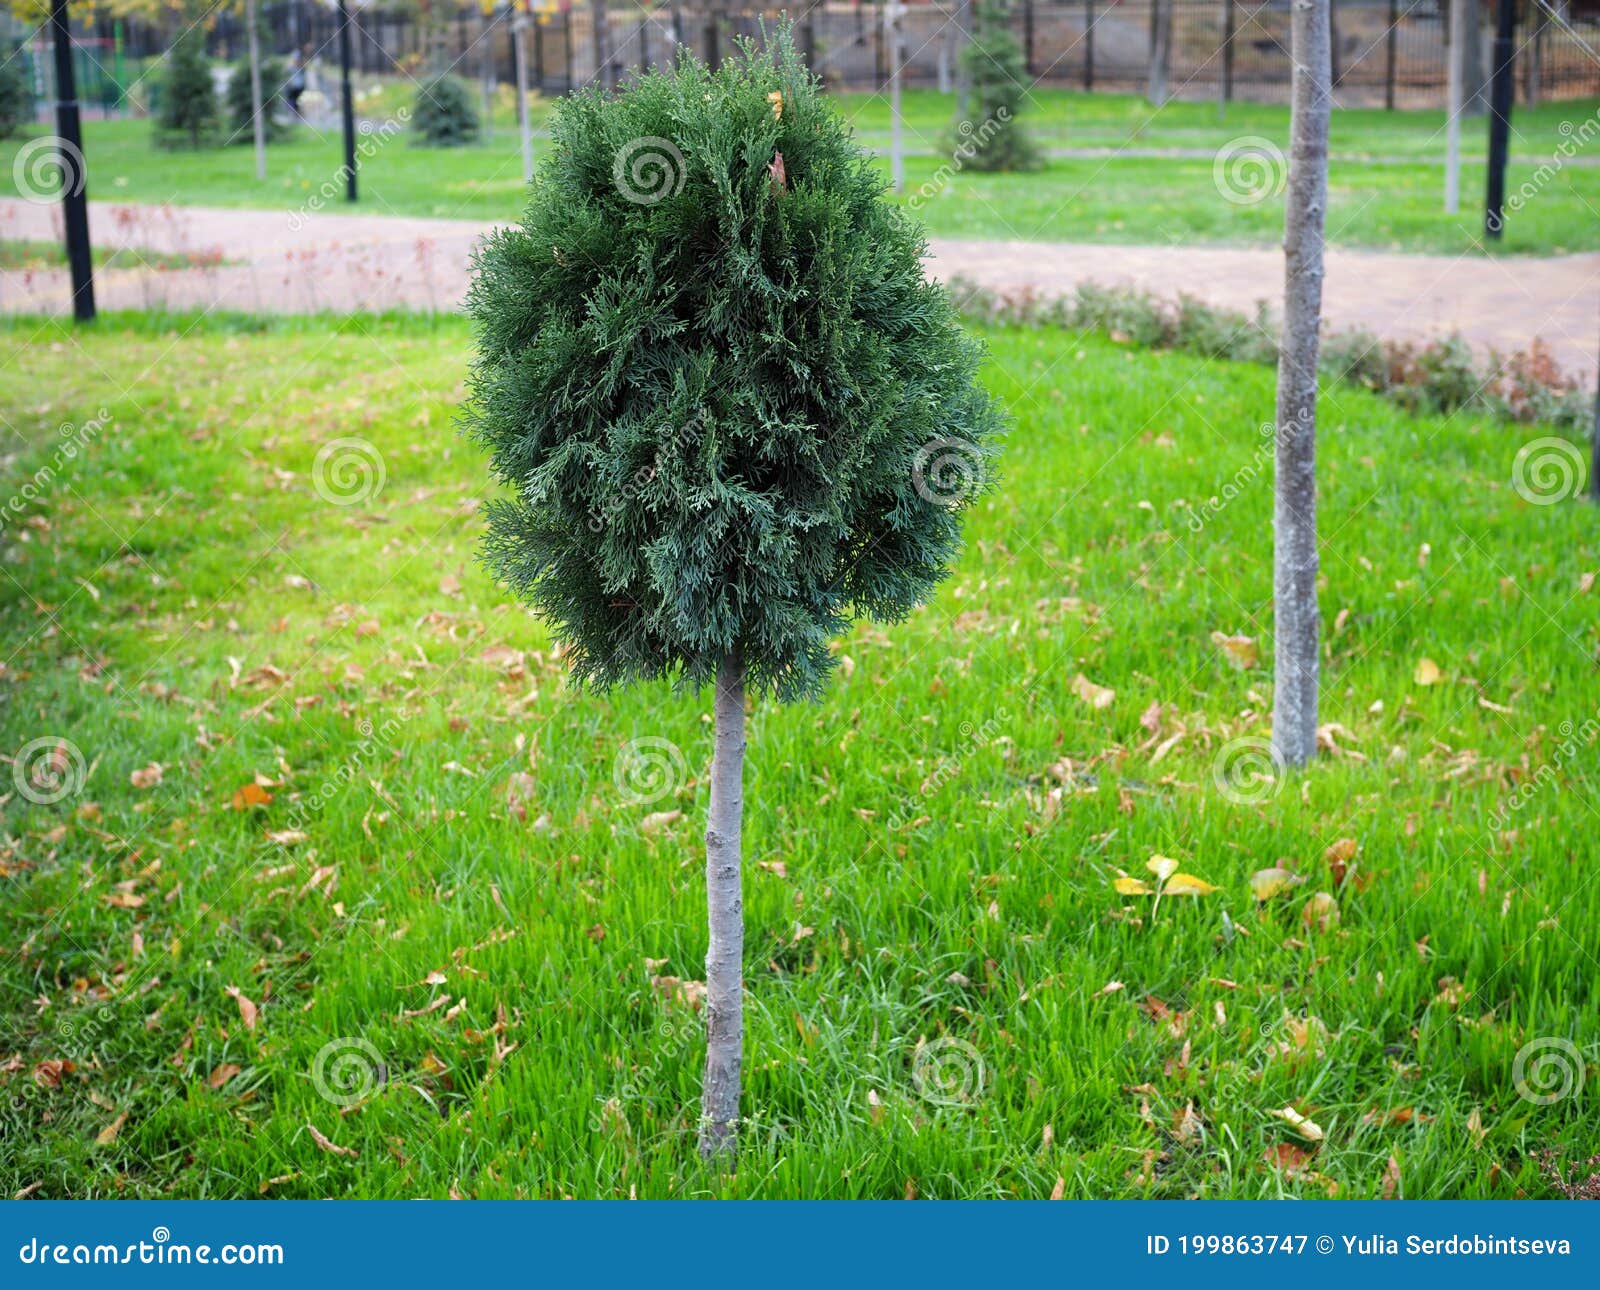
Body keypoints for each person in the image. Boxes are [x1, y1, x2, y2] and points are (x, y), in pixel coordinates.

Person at [285, 48, 308, 120]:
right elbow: (287, 76)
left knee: (297, 101)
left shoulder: (301, 67)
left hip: (299, 87)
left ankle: (297, 114)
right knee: (291, 99)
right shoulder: (290, 67)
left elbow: (303, 76)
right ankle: (293, 113)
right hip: (293, 87)